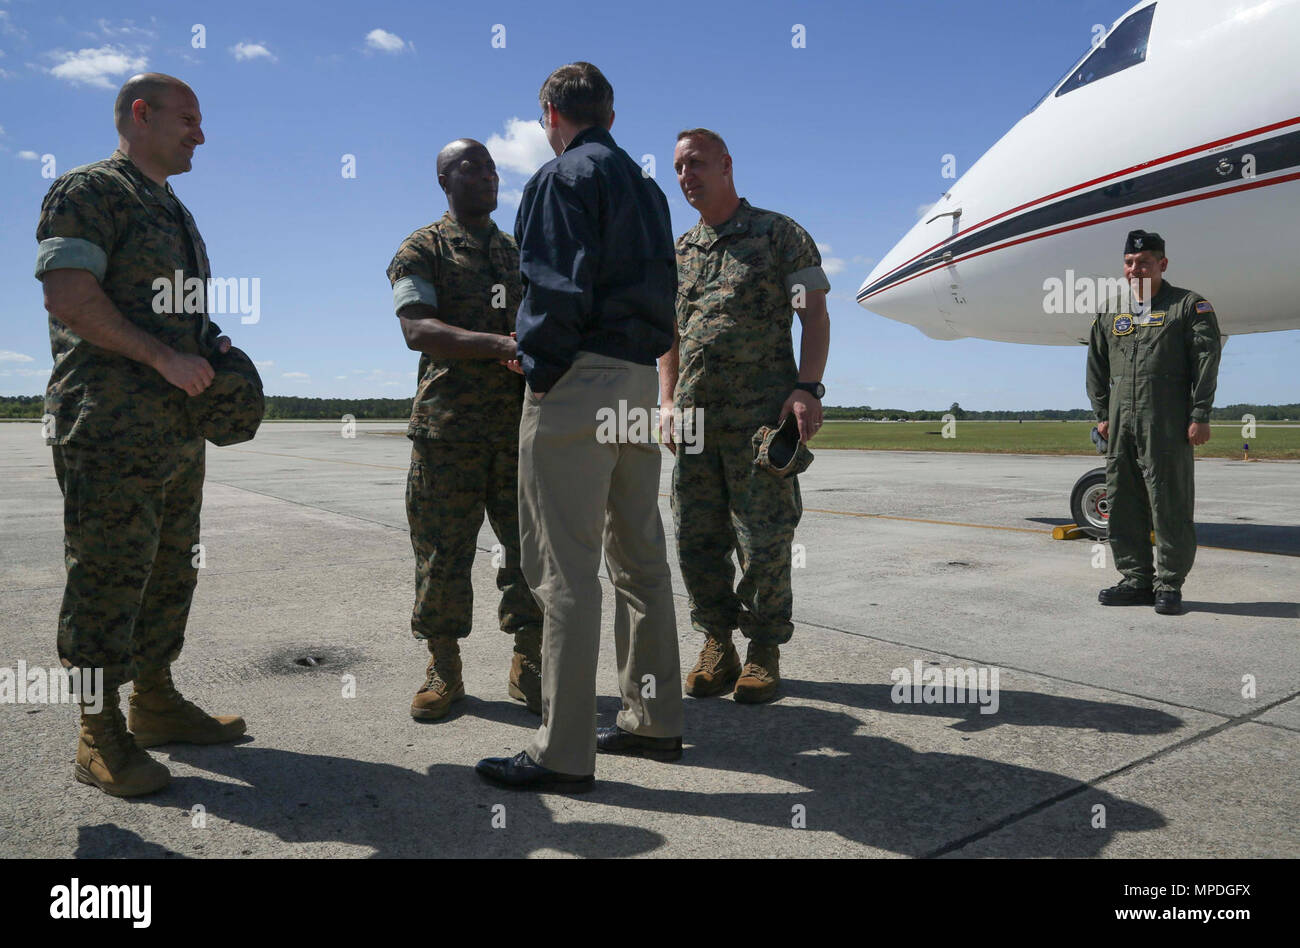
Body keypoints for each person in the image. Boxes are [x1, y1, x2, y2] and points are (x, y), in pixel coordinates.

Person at [475, 62, 683, 792]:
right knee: (641, 561)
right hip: (634, 380)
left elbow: (557, 287)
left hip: (579, 381)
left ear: (552, 116)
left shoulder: (561, 179)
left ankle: (562, 752)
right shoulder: (648, 189)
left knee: (563, 571)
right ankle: (653, 719)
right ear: (611, 115)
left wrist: (538, 362)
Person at [35, 73, 245, 797]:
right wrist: (162, 357)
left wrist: (218, 354)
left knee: (167, 571)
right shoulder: (88, 192)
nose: (200, 133)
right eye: (187, 118)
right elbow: (68, 296)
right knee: (106, 576)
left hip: (174, 431)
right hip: (109, 427)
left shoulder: (173, 211)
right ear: (140, 113)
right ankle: (97, 735)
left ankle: (154, 702)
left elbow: (184, 321)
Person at [660, 128, 830, 703]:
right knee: (695, 541)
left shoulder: (779, 235)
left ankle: (763, 649)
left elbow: (815, 317)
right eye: (680, 167)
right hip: (695, 423)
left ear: (728, 164)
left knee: (764, 540)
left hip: (761, 421)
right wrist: (666, 401)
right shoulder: (679, 253)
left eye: (698, 164)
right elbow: (670, 336)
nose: (688, 176)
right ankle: (717, 643)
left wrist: (807, 388)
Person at [385, 138, 543, 720]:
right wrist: (504, 344)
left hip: (519, 431)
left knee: (529, 551)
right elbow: (418, 329)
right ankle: (443, 666)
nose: (486, 175)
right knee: (442, 553)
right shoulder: (421, 248)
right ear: (445, 180)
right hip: (446, 431)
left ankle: (529, 662)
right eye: (470, 167)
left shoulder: (518, 251)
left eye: (492, 167)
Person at [1087, 229, 1222, 615]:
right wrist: (1101, 415)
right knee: (1124, 501)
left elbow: (1206, 363)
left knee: (1169, 502)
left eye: (1144, 262)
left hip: (1166, 423)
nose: (1135, 269)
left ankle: (1169, 584)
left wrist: (1200, 414)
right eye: (1129, 263)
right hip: (1120, 423)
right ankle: (1135, 580)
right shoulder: (1112, 311)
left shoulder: (1188, 307)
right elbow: (1096, 366)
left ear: (1161, 264)